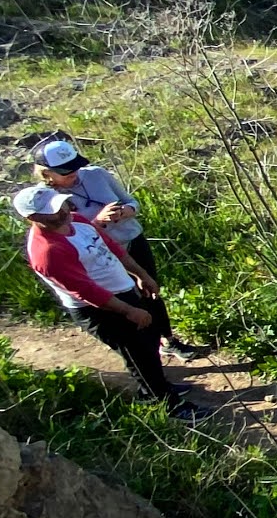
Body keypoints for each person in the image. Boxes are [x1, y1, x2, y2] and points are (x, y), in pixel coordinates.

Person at [14, 184, 207, 419]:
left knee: (149, 340)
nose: (63, 211)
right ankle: (167, 405)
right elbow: (86, 292)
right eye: (52, 211)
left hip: (122, 289)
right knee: (137, 352)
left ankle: (158, 388)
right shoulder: (48, 252)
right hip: (99, 307)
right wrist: (128, 310)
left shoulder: (76, 220)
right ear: (32, 218)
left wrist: (141, 275)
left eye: (61, 204)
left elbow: (113, 248)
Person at [31, 136, 210, 362]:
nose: (74, 173)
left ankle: (168, 340)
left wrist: (126, 211)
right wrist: (99, 221)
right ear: (47, 174)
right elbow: (66, 232)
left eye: (76, 166)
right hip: (97, 255)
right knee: (125, 300)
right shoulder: (44, 199)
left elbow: (134, 202)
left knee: (150, 290)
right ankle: (145, 350)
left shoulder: (97, 174)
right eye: (66, 171)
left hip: (131, 240)